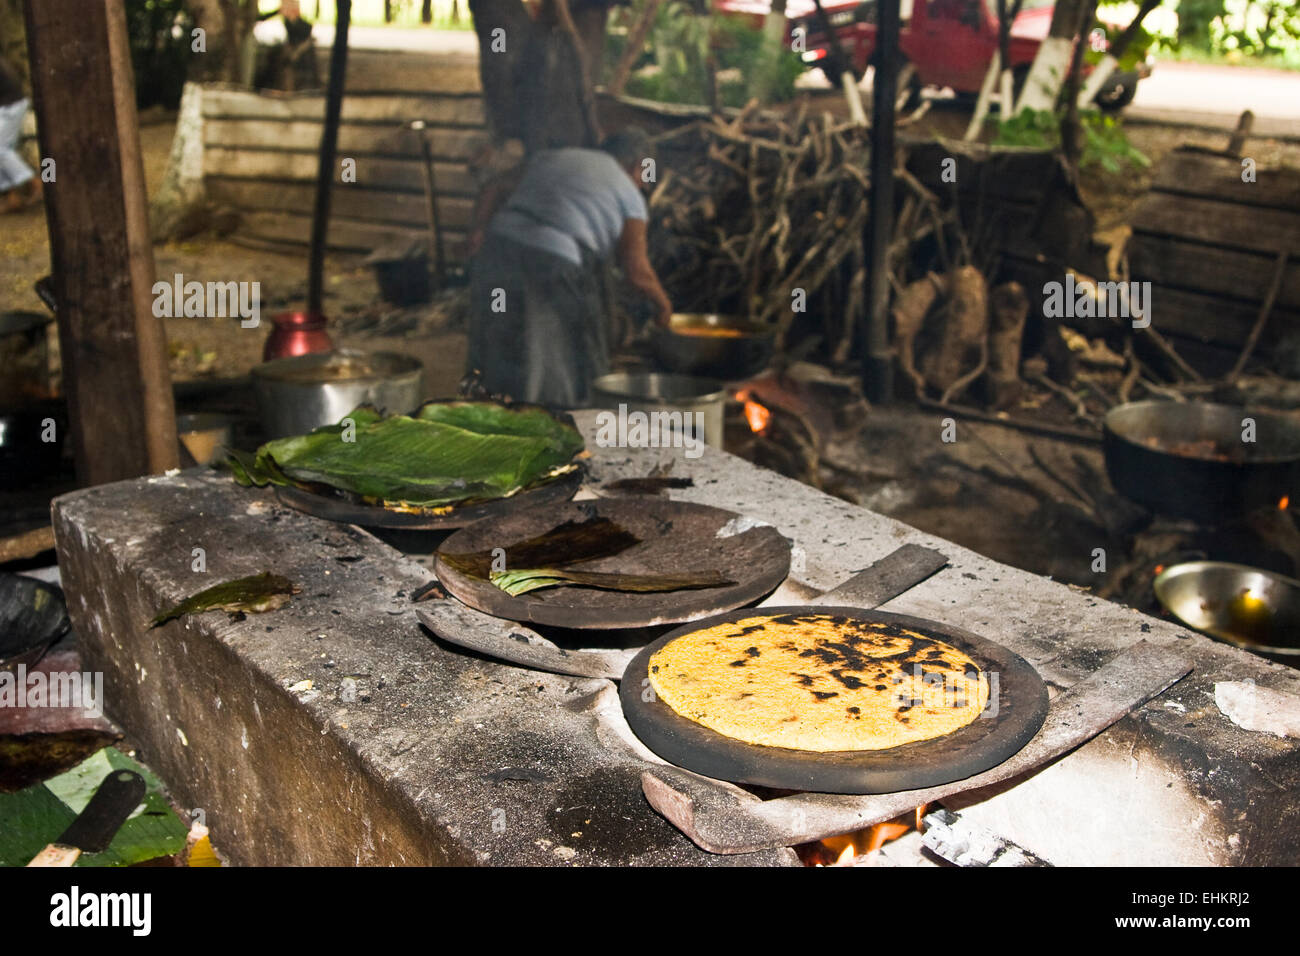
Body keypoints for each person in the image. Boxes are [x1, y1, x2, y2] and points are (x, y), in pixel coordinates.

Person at [466, 127, 673, 408]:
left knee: (498, 328)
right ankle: (546, 424)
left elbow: (493, 186)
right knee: (557, 357)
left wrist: (478, 230)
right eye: (645, 175)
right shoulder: (629, 195)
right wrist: (664, 307)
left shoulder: (553, 158)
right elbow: (637, 272)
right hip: (549, 266)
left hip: (498, 252)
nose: (643, 184)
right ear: (638, 165)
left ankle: (484, 411)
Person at [0, 53, 39, 214]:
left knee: (1, 150)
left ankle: (36, 183)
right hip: (9, 104)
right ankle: (12, 197)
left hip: (10, 106)